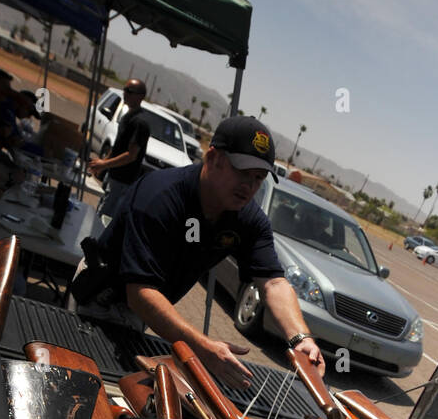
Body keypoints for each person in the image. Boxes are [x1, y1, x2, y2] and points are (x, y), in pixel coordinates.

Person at [81, 115, 325, 386]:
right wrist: (201, 346)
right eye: (242, 172)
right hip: (102, 295)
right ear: (213, 158)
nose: (250, 186)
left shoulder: (248, 219)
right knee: (89, 381)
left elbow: (274, 283)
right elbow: (139, 292)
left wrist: (301, 338)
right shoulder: (160, 196)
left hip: (145, 307)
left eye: (258, 178)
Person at [86, 79, 151, 221]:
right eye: (125, 90)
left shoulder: (140, 122)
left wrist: (104, 164)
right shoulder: (127, 116)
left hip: (123, 180)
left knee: (104, 217)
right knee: (101, 210)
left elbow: (131, 155)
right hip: (113, 175)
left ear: (141, 96)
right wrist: (103, 163)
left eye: (130, 91)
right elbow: (118, 147)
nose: (125, 93)